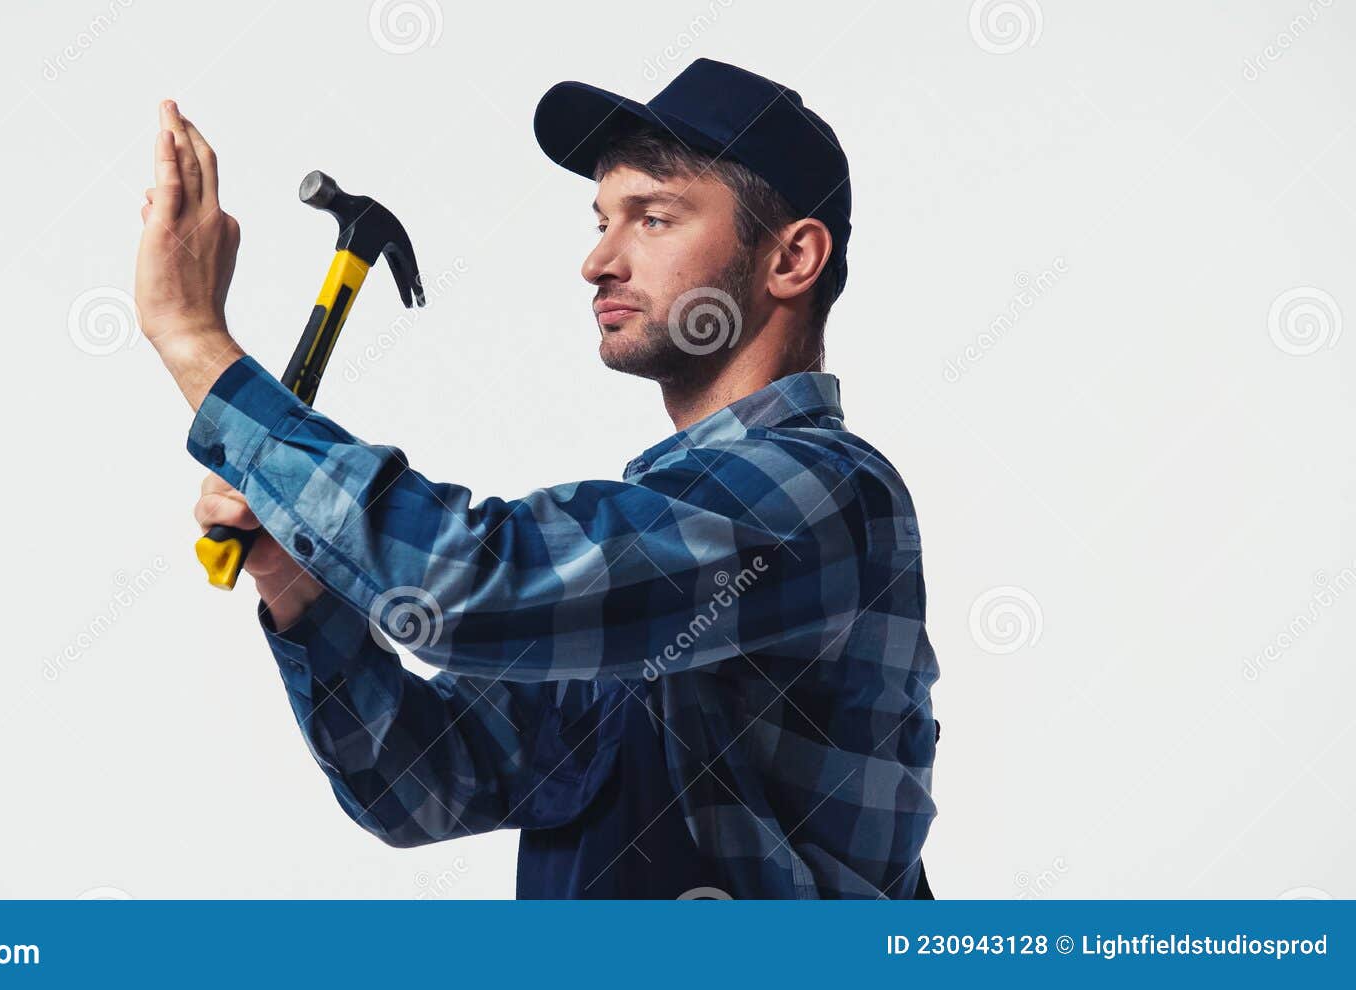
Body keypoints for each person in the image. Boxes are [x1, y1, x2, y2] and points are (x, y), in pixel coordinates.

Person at [134, 58, 938, 899]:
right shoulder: (653, 570)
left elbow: (470, 585)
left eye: (653, 218)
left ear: (792, 259)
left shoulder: (822, 495)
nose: (598, 261)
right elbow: (422, 782)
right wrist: (299, 583)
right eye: (600, 221)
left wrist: (195, 340)